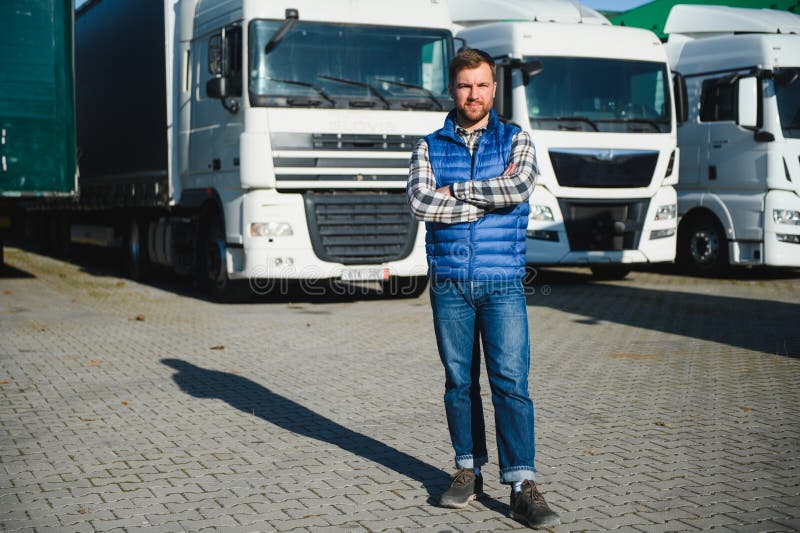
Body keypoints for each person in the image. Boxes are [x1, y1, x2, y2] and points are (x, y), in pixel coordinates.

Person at [406, 48, 560, 529]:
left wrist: (456, 192)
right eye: (465, 85)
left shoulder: (517, 139)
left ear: (494, 88)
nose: (474, 94)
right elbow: (418, 201)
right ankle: (467, 470)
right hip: (449, 284)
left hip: (503, 285)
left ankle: (521, 485)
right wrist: (478, 200)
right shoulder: (428, 146)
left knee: (511, 384)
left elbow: (517, 188)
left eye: (482, 85)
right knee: (458, 384)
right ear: (452, 90)